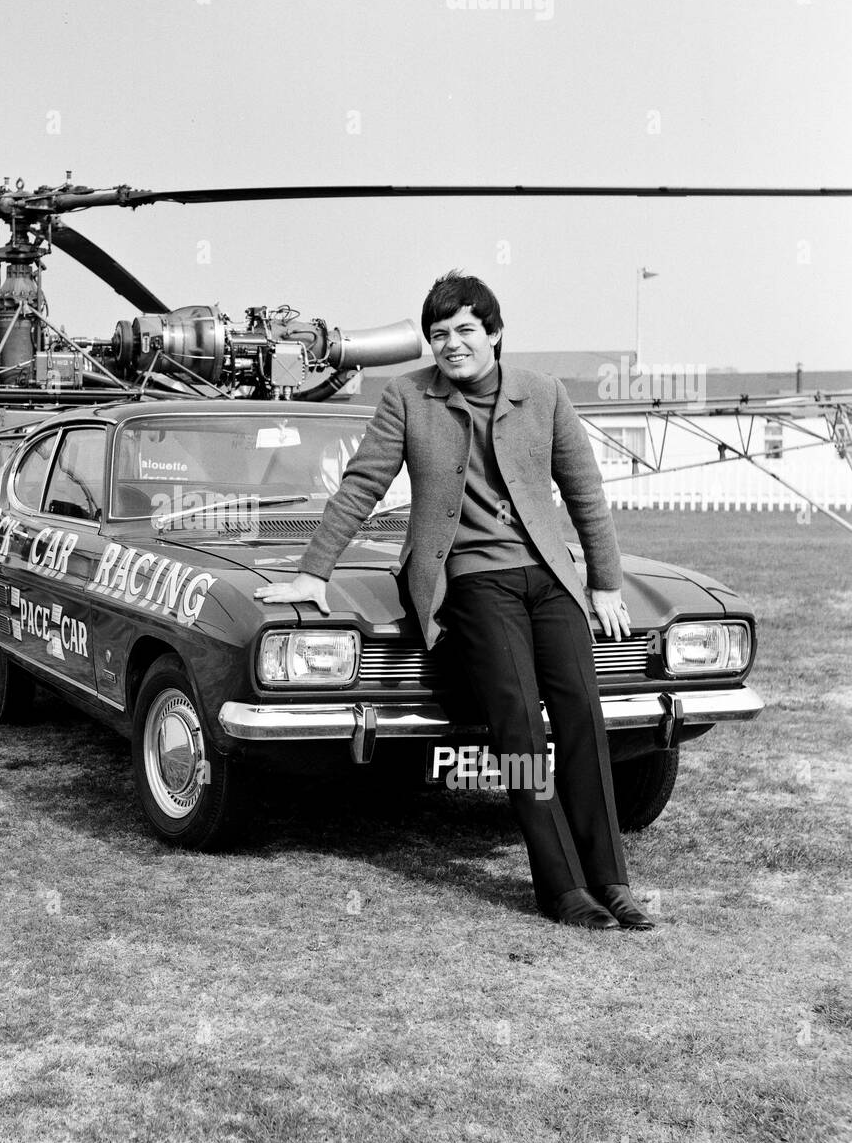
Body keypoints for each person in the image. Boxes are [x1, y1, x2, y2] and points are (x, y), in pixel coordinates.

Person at [255, 270, 654, 931]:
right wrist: (312, 573)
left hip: (549, 576)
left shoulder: (544, 394)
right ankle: (560, 888)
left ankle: (610, 879)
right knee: (519, 726)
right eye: (438, 335)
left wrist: (604, 583)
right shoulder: (407, 398)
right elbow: (362, 484)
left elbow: (585, 493)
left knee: (582, 714)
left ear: (494, 332)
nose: (450, 344)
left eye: (464, 330)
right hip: (468, 579)